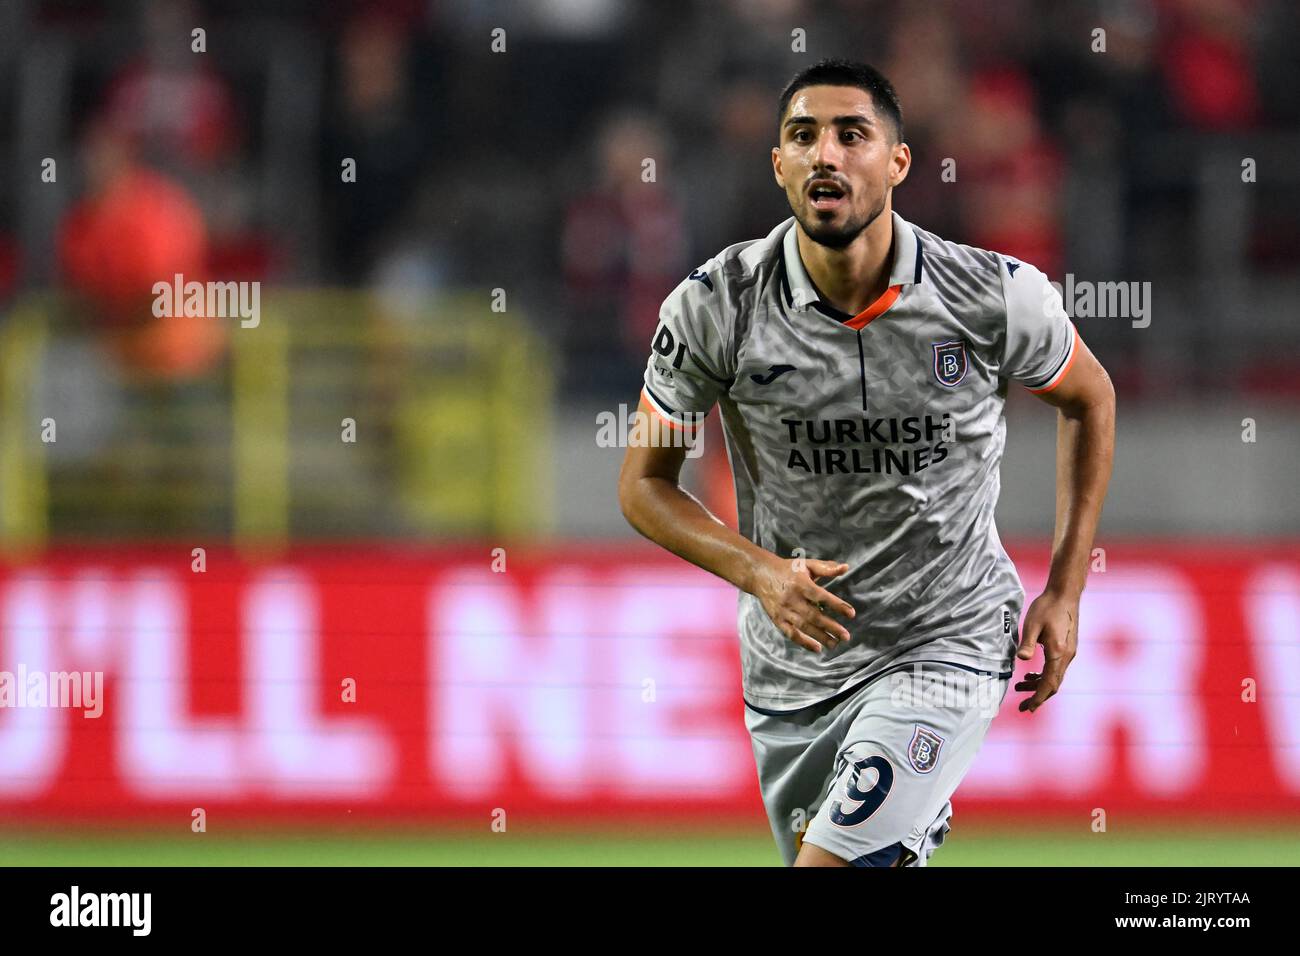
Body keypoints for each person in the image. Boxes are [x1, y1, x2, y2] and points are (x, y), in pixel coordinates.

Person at [617, 59, 1115, 867]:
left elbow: (1090, 399)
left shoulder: (990, 295)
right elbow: (643, 486)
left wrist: (1065, 585)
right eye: (803, 135)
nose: (827, 154)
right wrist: (761, 573)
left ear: (898, 162)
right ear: (778, 165)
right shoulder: (714, 307)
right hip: (795, 673)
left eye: (853, 134)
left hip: (944, 638)